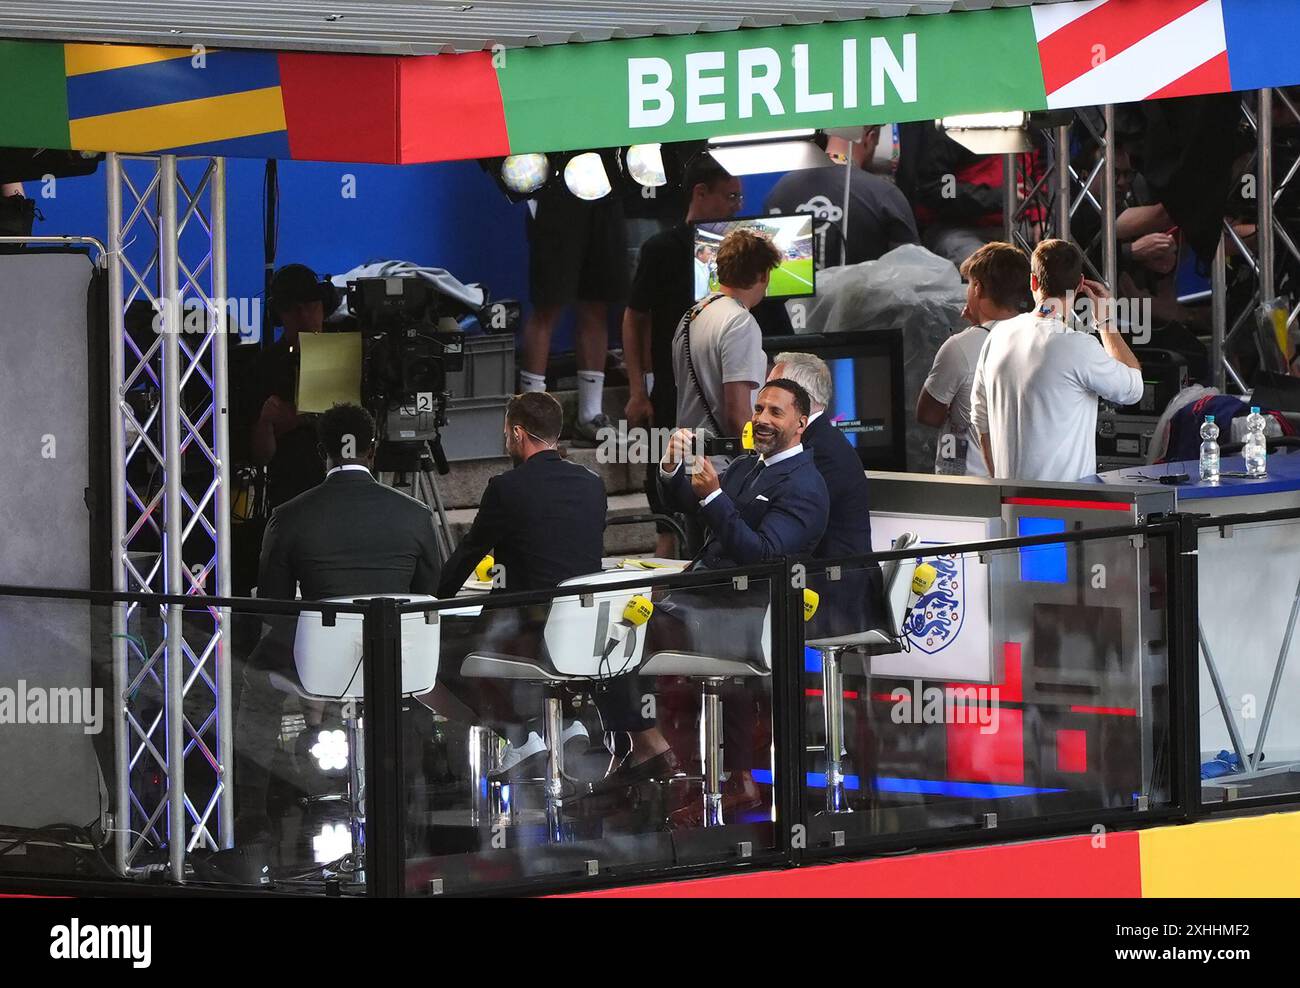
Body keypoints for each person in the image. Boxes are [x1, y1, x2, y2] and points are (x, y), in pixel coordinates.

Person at [591, 380, 829, 816]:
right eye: (758, 409)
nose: (761, 419)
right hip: (699, 603)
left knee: (613, 634)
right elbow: (688, 502)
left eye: (776, 412)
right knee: (606, 624)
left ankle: (647, 745)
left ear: (801, 423)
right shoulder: (748, 465)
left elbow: (765, 557)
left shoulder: (806, 486)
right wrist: (670, 468)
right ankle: (639, 744)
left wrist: (716, 496)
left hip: (738, 617)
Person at [235, 403, 442, 840]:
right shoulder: (417, 515)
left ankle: (251, 814)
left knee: (255, 677)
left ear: (321, 451)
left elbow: (273, 608)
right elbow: (430, 599)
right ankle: (413, 817)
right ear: (372, 450)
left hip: (319, 664)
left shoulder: (289, 515)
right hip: (398, 664)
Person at [430, 392, 607, 776]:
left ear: (517, 432)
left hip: (529, 623)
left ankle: (521, 737)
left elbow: (469, 553)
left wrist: (429, 603)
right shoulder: (592, 484)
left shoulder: (506, 487)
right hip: (582, 626)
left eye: (506, 434)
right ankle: (562, 723)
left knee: (444, 653)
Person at [623, 154, 743, 556]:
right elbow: (634, 316)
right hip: (674, 396)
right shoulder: (662, 249)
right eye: (730, 196)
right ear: (700, 193)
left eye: (739, 198)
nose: (736, 206)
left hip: (731, 393)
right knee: (668, 514)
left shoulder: (746, 252)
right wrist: (637, 390)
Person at [970, 239, 1144, 482]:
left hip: (1010, 501)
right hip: (1065, 505)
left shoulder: (997, 336)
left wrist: (1000, 484)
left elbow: (980, 419)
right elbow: (1134, 389)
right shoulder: (1078, 346)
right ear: (1080, 285)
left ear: (1032, 281)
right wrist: (1105, 322)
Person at [769, 353, 881, 636]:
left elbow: (785, 520)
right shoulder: (805, 440)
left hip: (835, 593)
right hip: (812, 583)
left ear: (800, 397)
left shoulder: (822, 450)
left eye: (774, 389)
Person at [518, 186, 627, 444]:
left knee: (596, 302)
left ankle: (590, 416)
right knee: (548, 305)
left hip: (606, 187)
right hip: (556, 190)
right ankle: (531, 423)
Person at [917, 242, 1030, 477]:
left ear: (977, 288)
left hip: (969, 485)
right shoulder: (1039, 336)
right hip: (1026, 479)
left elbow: (928, 414)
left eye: (969, 284)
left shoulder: (960, 347)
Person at [673, 228, 781, 441]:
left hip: (689, 458)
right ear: (764, 275)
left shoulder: (692, 315)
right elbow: (738, 415)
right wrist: (754, 461)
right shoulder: (740, 321)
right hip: (722, 466)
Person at [764, 126, 919, 268]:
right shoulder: (885, 195)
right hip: (865, 298)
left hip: (796, 298)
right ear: (870, 137)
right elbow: (912, 272)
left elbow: (770, 270)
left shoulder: (780, 192)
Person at [251, 264, 334, 510]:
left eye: (311, 306)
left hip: (346, 487)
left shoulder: (347, 353)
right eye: (295, 310)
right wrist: (267, 422)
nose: (305, 317)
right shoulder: (265, 366)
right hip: (291, 492)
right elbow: (259, 454)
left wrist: (297, 417)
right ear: (280, 314)